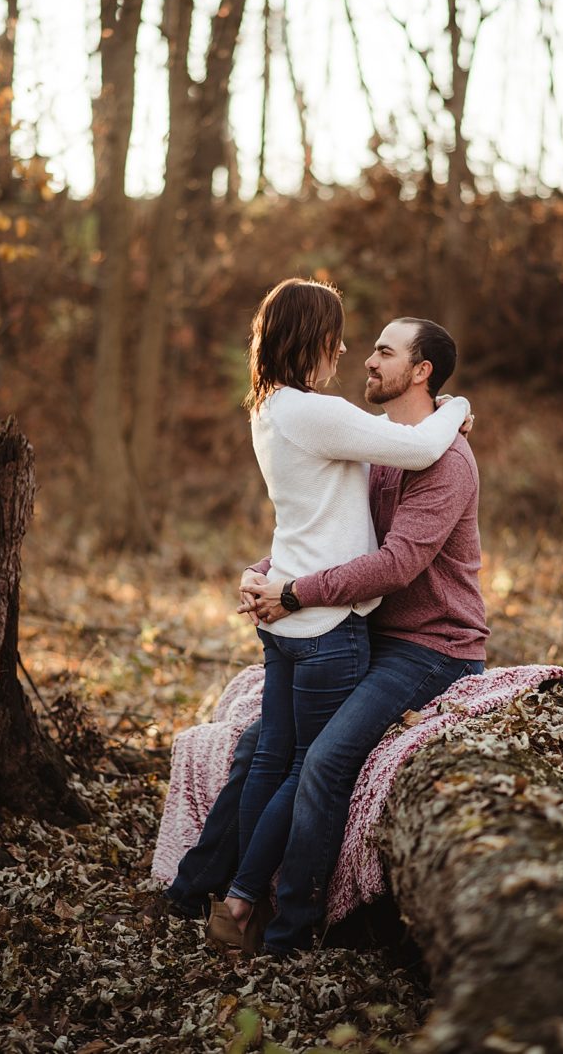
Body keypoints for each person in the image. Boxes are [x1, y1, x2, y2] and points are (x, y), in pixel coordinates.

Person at [166, 314, 488, 957]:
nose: (365, 359)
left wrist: (293, 593)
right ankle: (192, 890)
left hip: (433, 646)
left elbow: (395, 565)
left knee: (324, 760)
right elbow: (327, 531)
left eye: (384, 352)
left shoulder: (445, 460)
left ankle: (288, 929)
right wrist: (266, 572)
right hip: (362, 631)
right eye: (369, 348)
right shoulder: (374, 448)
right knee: (255, 742)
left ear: (420, 372)